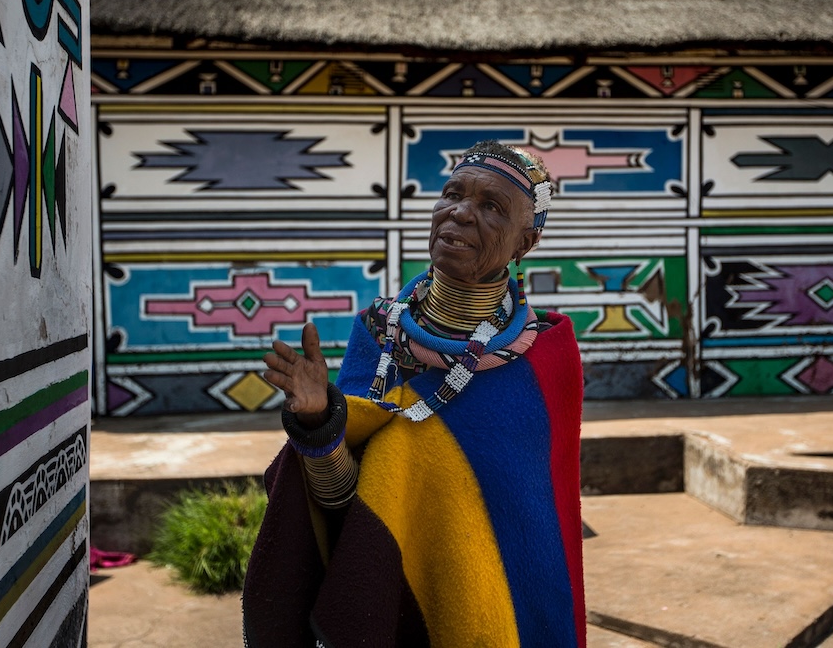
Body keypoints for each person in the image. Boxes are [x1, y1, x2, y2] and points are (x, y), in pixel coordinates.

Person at [242, 140, 585, 647]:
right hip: (395, 605)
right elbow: (345, 507)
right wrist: (318, 423)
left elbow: (538, 533)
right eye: (453, 194)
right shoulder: (377, 334)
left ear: (525, 243)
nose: (460, 213)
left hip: (497, 612)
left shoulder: (545, 358)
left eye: (491, 206)